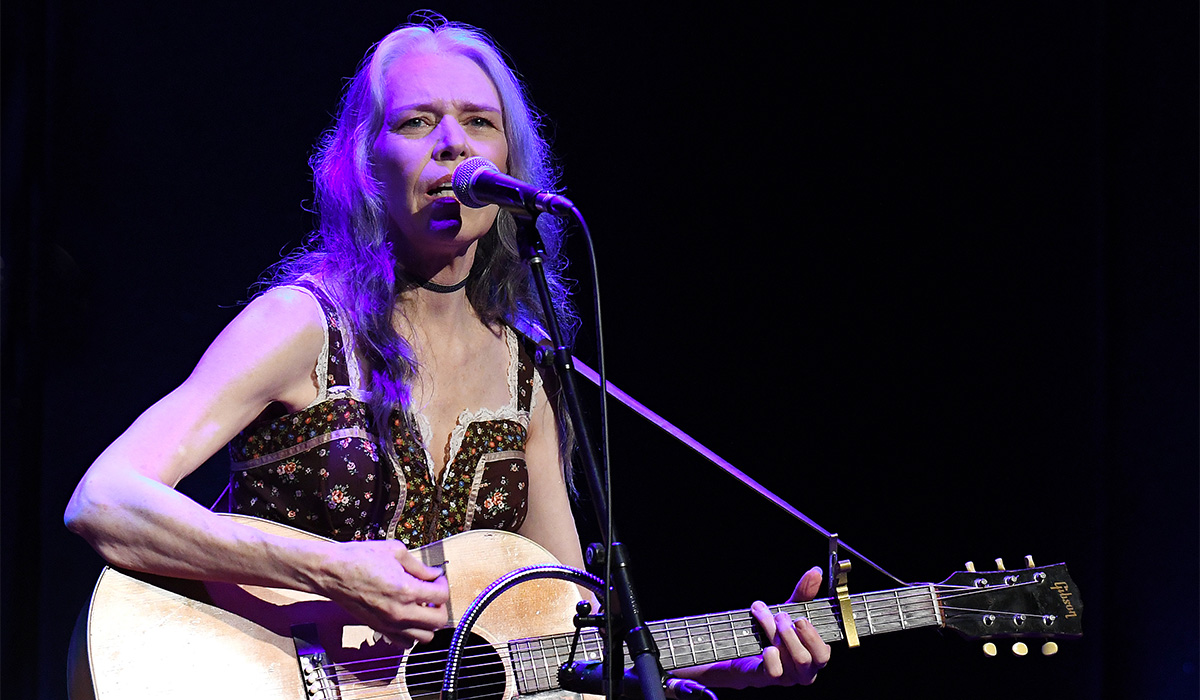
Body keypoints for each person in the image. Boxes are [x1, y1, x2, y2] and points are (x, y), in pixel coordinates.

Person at [64, 14, 830, 690]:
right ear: (367, 163)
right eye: (416, 121)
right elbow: (104, 499)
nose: (453, 143)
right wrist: (330, 568)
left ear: (510, 165)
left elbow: (567, 632)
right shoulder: (302, 325)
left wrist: (726, 666)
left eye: (478, 121)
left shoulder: (529, 374)